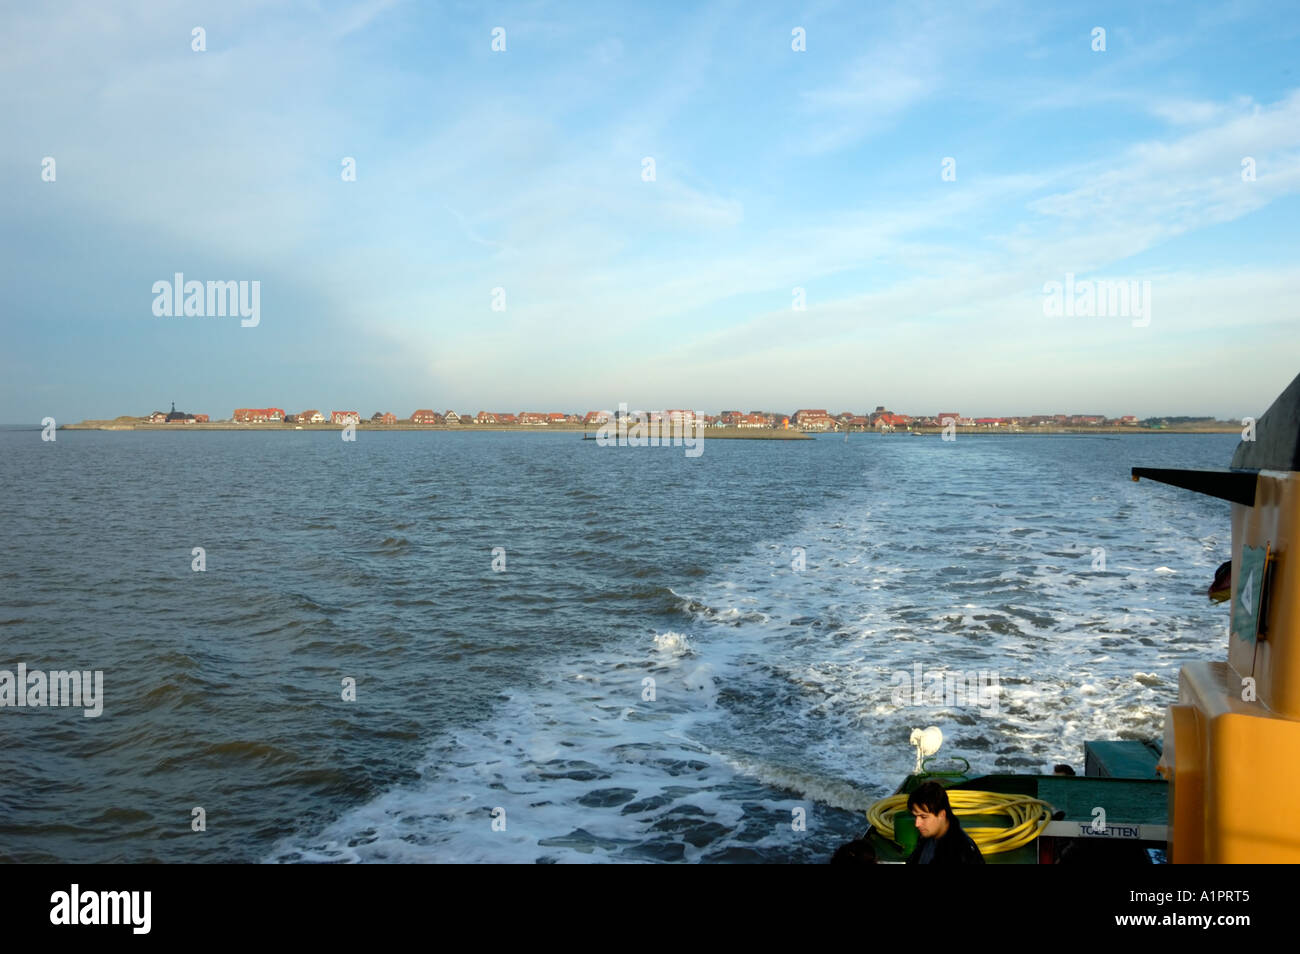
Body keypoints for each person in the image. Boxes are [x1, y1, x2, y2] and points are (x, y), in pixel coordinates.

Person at [906, 782, 984, 864]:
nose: (917, 824)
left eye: (923, 817)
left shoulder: (960, 853)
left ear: (942, 814)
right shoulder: (929, 835)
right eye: (915, 816)